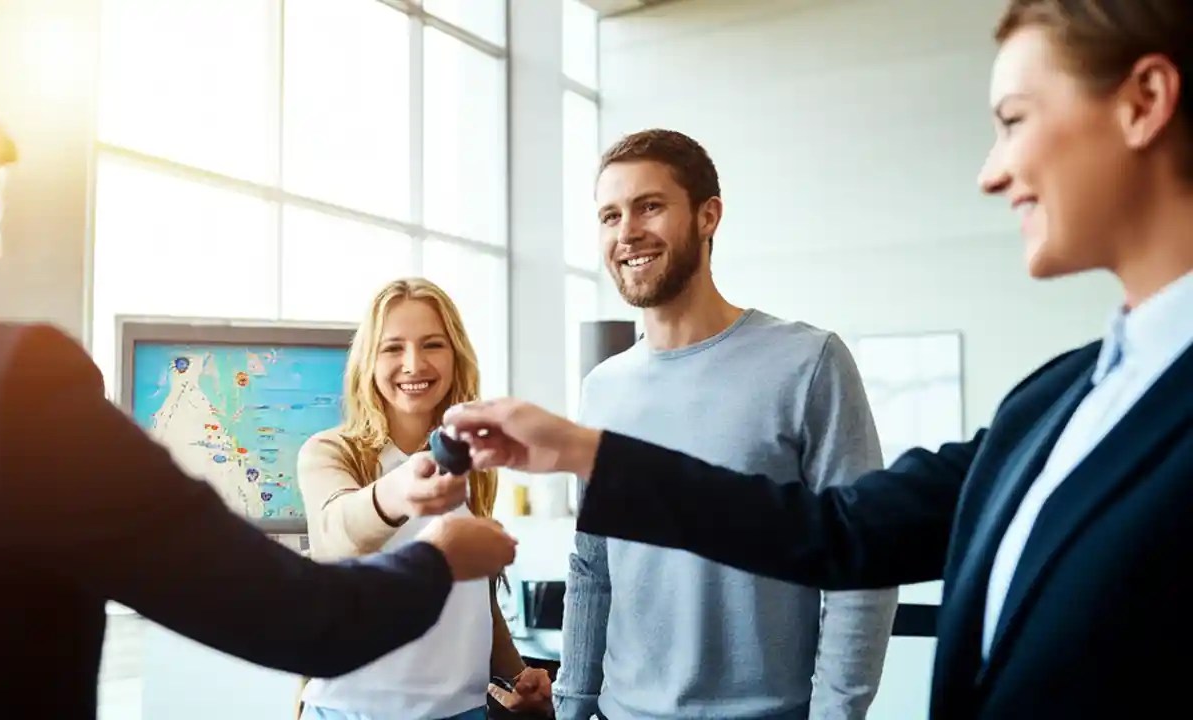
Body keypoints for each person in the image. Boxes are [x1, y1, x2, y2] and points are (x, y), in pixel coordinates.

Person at [443, 1, 1193, 718]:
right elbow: (840, 533)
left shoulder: (807, 361)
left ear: (1146, 100)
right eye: (609, 213)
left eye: (1014, 120)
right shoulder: (1058, 401)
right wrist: (585, 451)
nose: (991, 172)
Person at [0, 3, 517, 717]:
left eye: (431, 343)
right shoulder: (12, 391)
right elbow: (304, 614)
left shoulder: (469, 458)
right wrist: (442, 552)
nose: (5, 144)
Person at [554, 129, 896, 720]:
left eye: (650, 206)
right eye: (610, 215)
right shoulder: (602, 388)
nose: (626, 232)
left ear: (708, 215)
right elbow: (592, 565)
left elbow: (861, 563)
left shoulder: (808, 363)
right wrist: (572, 706)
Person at [295, 277, 552, 720]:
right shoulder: (331, 452)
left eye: (433, 345)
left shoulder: (474, 460)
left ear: (456, 358)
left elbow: (476, 597)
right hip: (352, 710)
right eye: (393, 348)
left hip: (461, 711)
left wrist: (518, 677)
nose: (413, 364)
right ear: (368, 362)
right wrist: (401, 490)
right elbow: (335, 533)